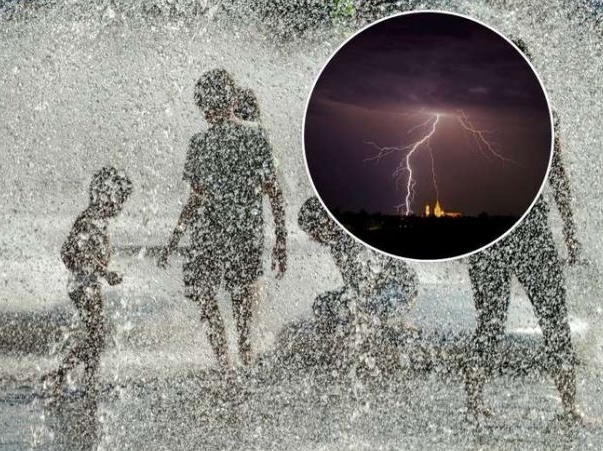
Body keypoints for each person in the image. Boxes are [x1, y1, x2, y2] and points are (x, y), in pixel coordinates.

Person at [463, 39, 586, 424]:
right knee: (527, 316)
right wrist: (568, 229)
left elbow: (557, 174)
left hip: (501, 231)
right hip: (509, 231)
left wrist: (568, 227)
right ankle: (566, 407)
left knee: (525, 316)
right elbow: (558, 176)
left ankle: (565, 405)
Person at [159, 70, 287, 371]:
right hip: (245, 235)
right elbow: (275, 193)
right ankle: (243, 355)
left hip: (210, 235)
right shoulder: (256, 134)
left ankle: (224, 361)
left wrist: (175, 238)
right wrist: (281, 241)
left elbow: (195, 200)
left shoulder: (200, 143)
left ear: (203, 105)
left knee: (206, 294)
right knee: (242, 299)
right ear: (232, 99)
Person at [295, 197, 417, 370]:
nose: (312, 238)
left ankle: (362, 347)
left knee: (331, 306)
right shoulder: (340, 239)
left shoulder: (348, 239)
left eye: (312, 232)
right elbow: (357, 286)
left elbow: (364, 288)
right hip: (395, 288)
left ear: (324, 222)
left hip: (398, 291)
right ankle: (357, 342)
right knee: (326, 305)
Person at [44, 166, 133, 397]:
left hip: (87, 284)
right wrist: (105, 273)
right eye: (119, 200)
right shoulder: (90, 220)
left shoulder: (94, 219)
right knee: (97, 337)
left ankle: (88, 382)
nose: (120, 207)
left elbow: (71, 251)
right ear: (105, 195)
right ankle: (62, 375)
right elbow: (74, 251)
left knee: (97, 337)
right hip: (84, 286)